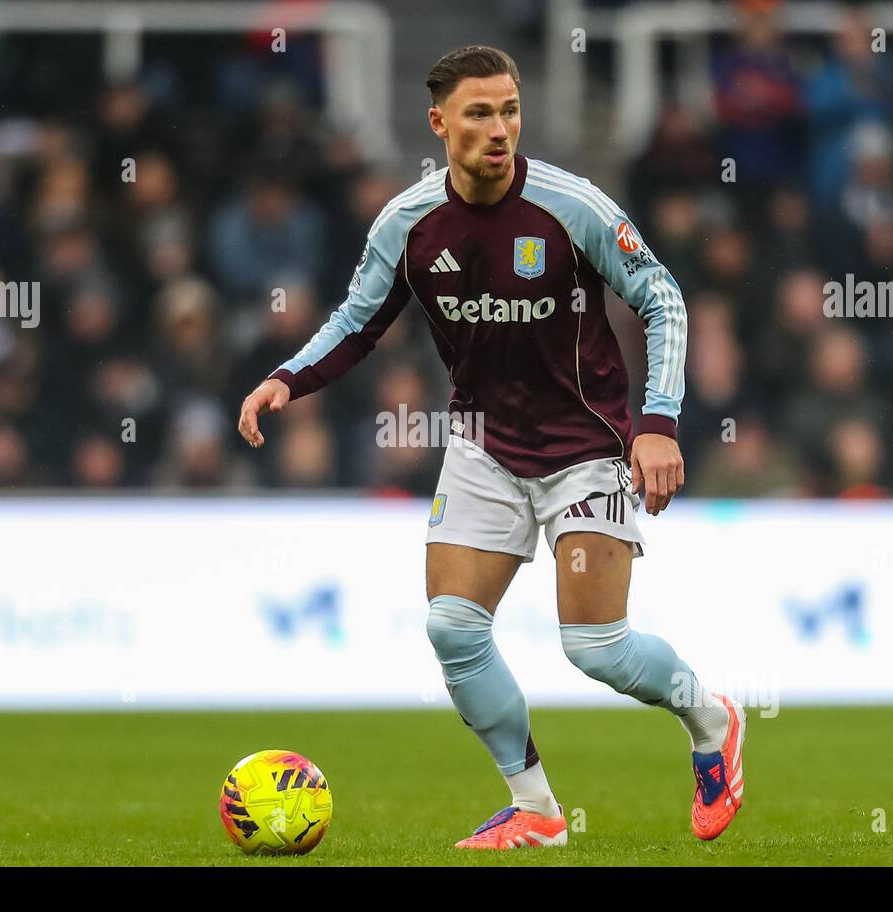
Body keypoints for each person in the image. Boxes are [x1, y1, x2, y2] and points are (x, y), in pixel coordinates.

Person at [237, 46, 745, 850]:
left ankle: (712, 720)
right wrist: (286, 380)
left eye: (510, 110)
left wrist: (659, 421)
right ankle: (536, 808)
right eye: (479, 113)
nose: (499, 128)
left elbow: (663, 296)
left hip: (587, 446)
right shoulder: (407, 223)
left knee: (595, 648)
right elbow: (358, 320)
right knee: (452, 627)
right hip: (481, 446)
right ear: (438, 123)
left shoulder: (569, 206)